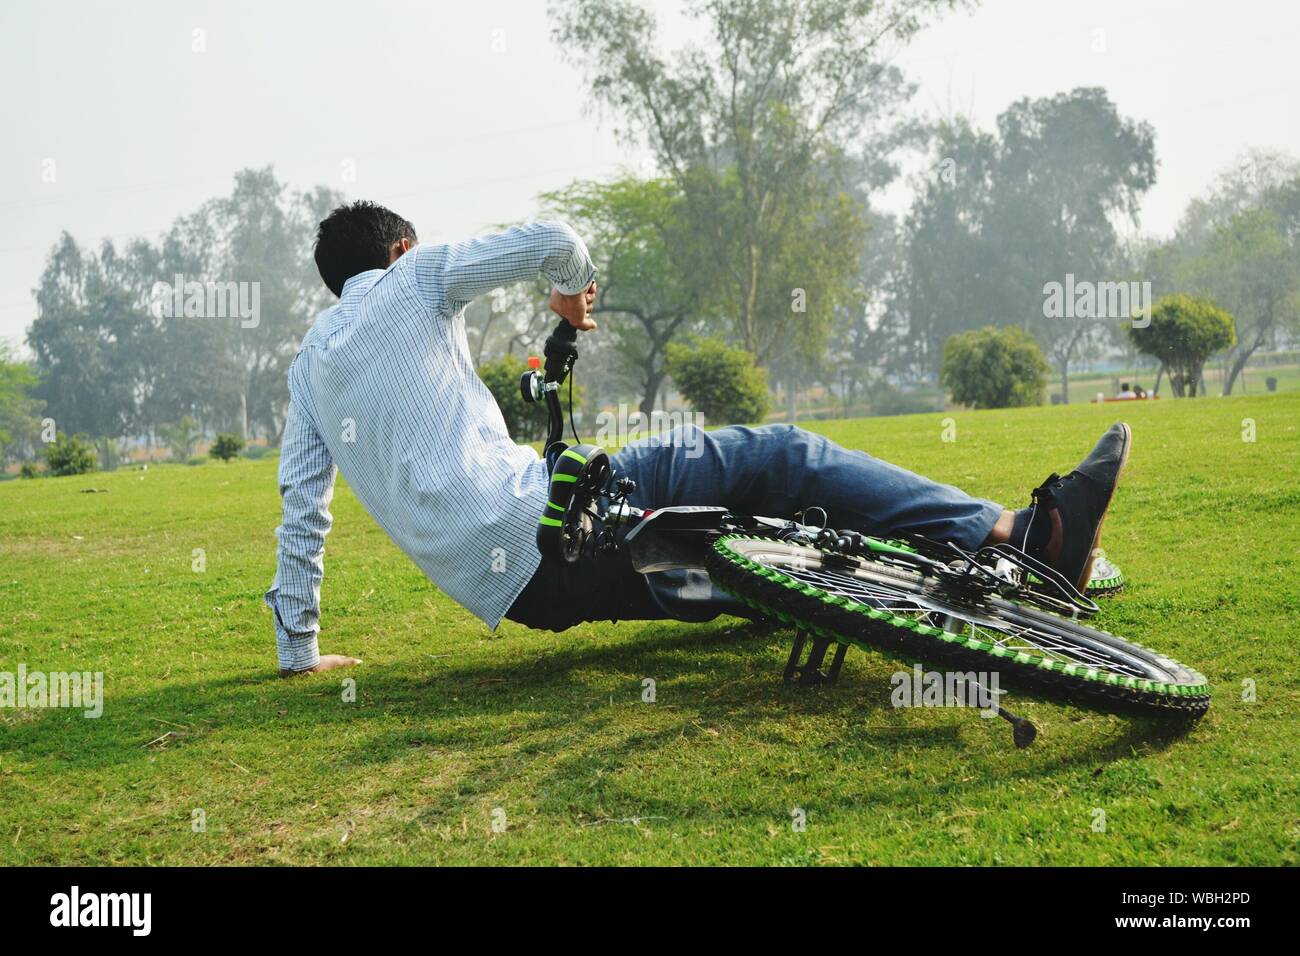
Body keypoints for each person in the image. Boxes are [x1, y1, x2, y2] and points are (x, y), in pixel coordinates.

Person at [267, 201, 1131, 676]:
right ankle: (1027, 537)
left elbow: (301, 516)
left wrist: (299, 651)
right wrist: (570, 295)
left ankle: (973, 578)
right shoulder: (415, 278)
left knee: (764, 570)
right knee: (780, 458)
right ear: (402, 247)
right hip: (552, 519)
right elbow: (557, 241)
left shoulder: (308, 368)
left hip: (530, 599)